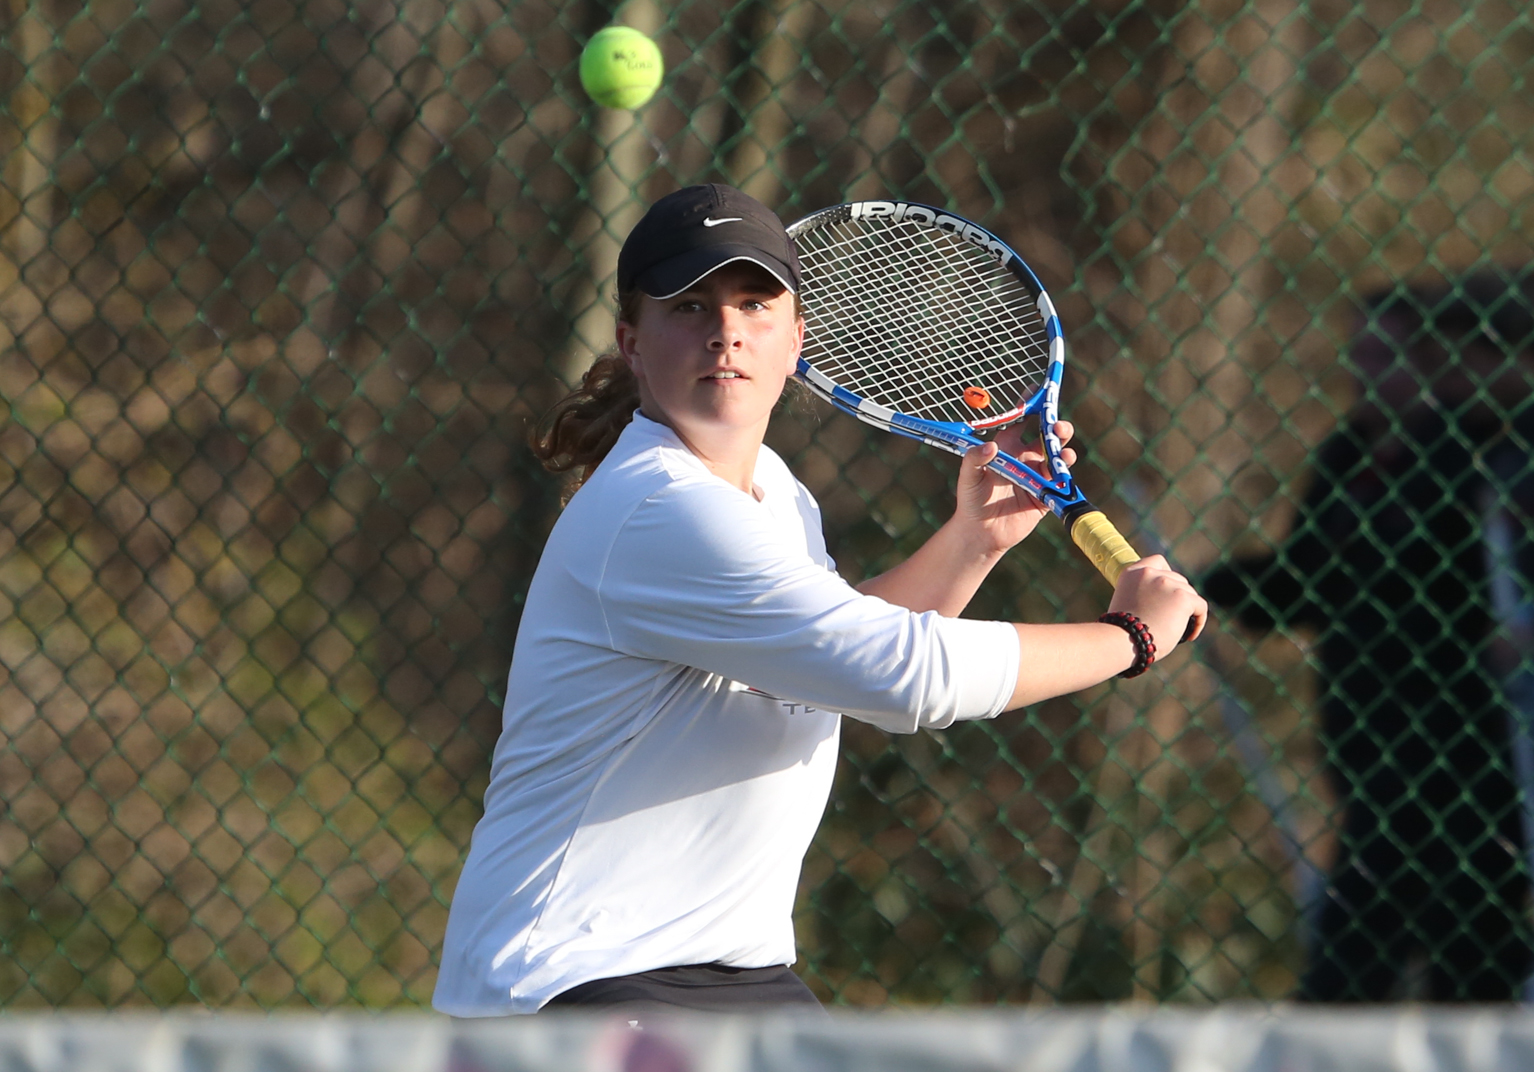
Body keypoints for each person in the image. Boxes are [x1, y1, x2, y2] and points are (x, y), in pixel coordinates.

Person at [430, 184, 1208, 1016]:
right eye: (688, 306)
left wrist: (972, 540)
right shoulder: (658, 508)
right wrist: (1128, 635)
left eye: (755, 303)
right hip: (575, 983)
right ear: (632, 343)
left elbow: (817, 662)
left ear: (797, 337)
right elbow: (901, 677)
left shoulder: (770, 490)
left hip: (726, 973)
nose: (725, 330)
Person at [1204, 269, 1534, 1002]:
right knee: (1449, 947)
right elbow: (1325, 578)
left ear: (1506, 355)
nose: (1435, 380)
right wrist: (1207, 588)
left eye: (1434, 359)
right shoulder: (1427, 453)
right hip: (1447, 753)